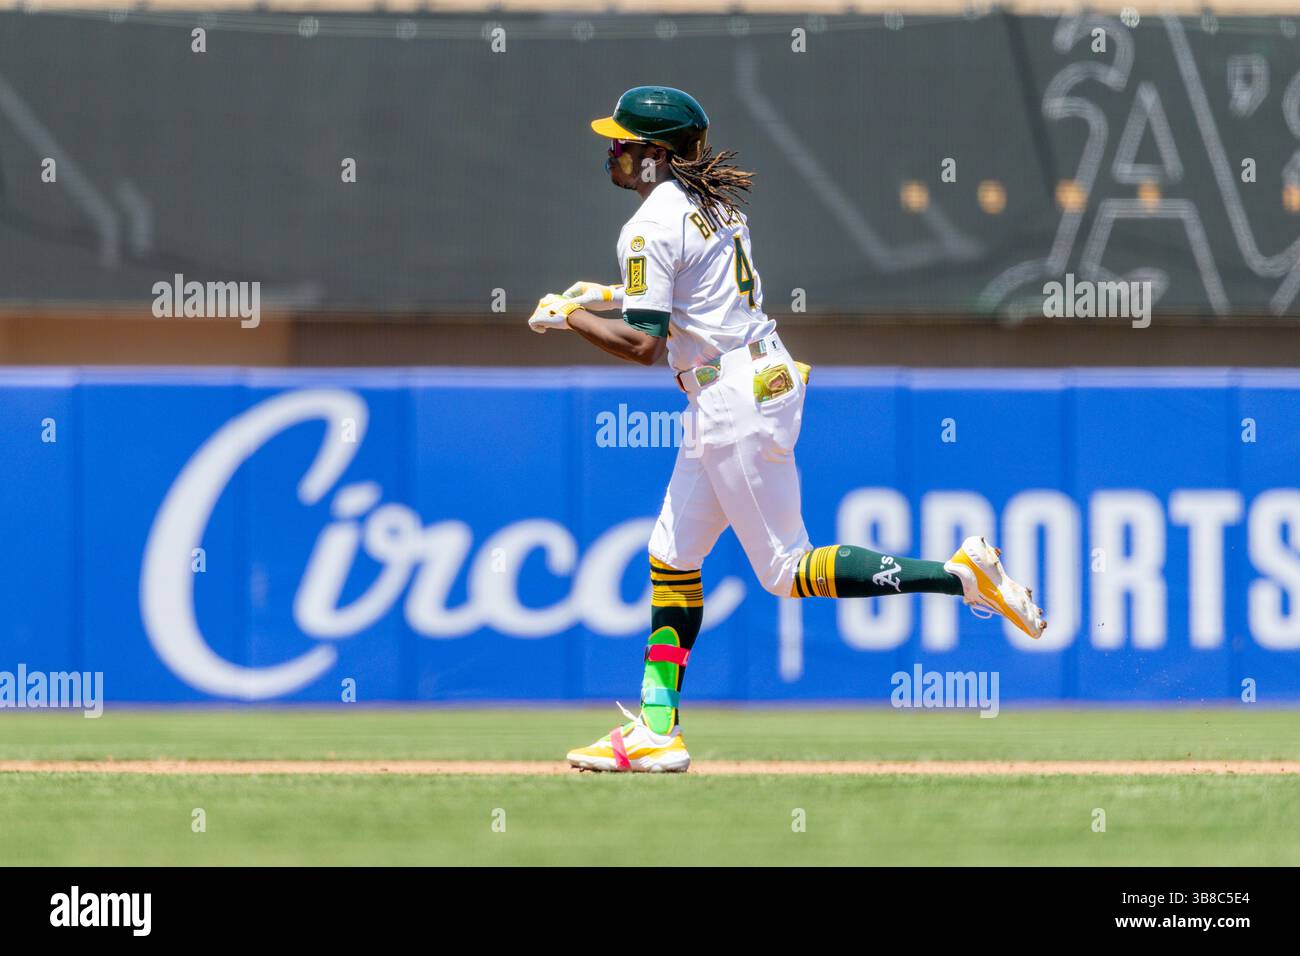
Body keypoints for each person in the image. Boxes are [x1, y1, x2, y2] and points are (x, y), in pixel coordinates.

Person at [527, 87, 1045, 772]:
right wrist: (603, 296)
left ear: (658, 156)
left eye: (625, 140)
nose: (613, 150)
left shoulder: (650, 223)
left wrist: (571, 318)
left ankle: (960, 578)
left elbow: (644, 345)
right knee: (672, 556)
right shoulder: (710, 204)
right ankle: (657, 728)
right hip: (744, 380)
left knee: (784, 569)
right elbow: (691, 294)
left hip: (729, 397)